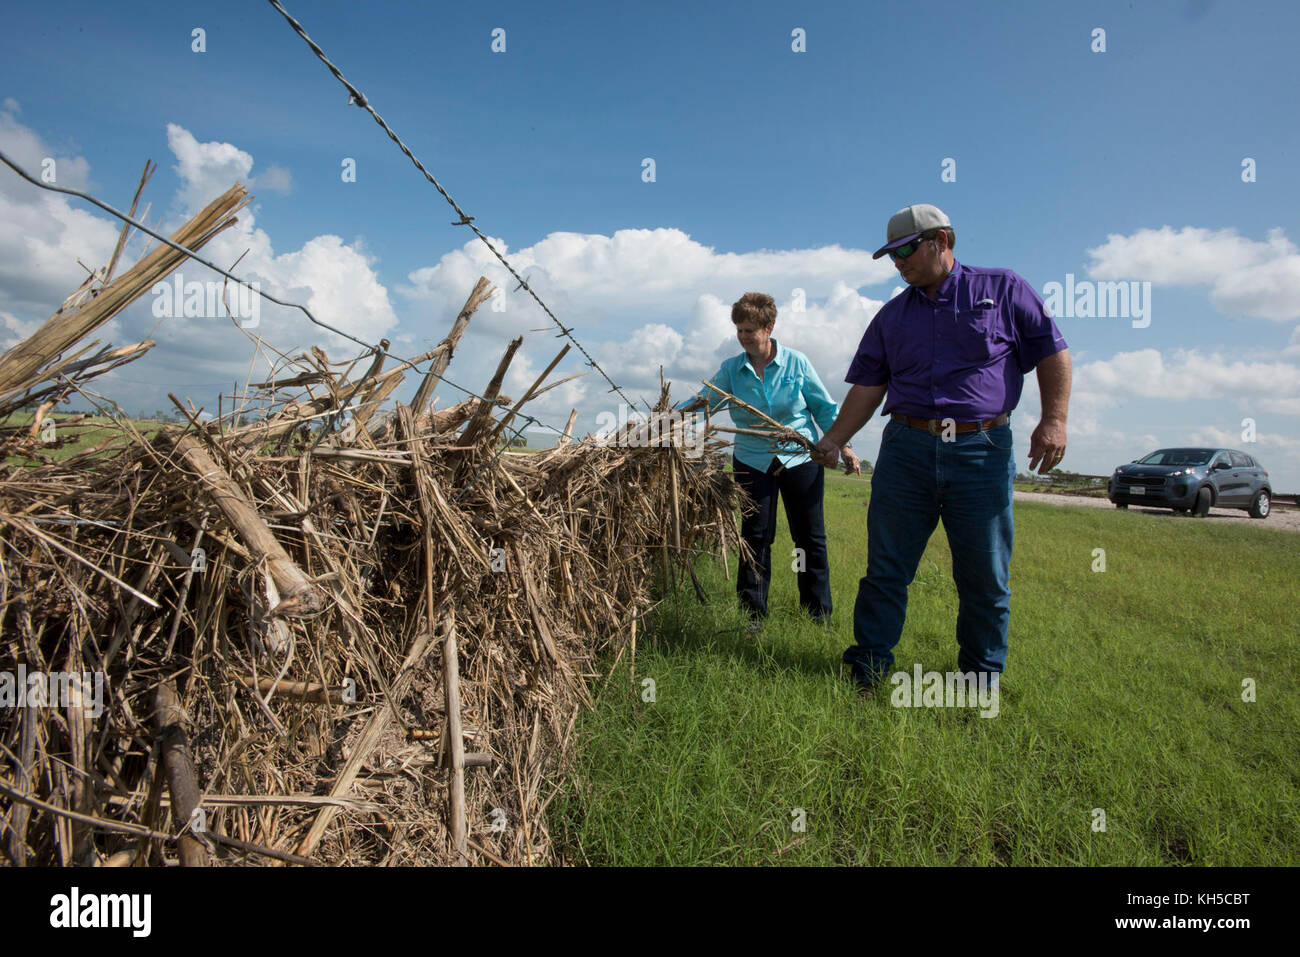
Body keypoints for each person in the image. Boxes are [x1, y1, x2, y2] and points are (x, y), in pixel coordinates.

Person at [812, 204, 1071, 694]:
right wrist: (834, 440)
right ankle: (867, 671)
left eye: (906, 250)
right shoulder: (891, 317)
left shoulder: (1004, 289)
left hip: (982, 449)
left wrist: (1054, 419)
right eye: (892, 256)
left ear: (943, 241)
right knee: (886, 569)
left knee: (984, 576)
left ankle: (979, 681)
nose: (899, 263)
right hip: (907, 448)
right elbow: (868, 389)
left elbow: (1053, 352)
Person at [682, 292, 860, 626]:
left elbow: (823, 407)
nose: (743, 336)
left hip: (799, 458)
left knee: (808, 537)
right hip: (752, 459)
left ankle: (817, 612)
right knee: (756, 535)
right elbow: (704, 401)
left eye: (750, 329)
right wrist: (664, 418)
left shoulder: (797, 363)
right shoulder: (731, 370)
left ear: (769, 327)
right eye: (739, 329)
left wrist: (844, 445)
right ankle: (753, 614)